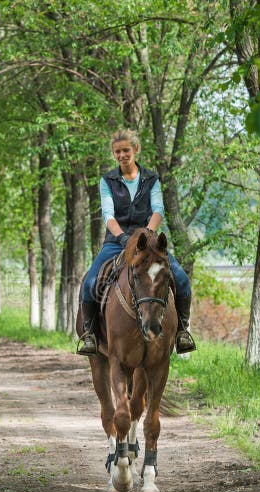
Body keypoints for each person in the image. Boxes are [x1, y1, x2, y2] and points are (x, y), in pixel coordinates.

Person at [77, 129, 196, 356]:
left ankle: (182, 331)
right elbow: (108, 215)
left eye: (126, 150)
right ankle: (90, 334)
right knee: (90, 282)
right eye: (117, 151)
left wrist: (148, 233)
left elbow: (158, 209)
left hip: (147, 243)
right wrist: (123, 237)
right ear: (114, 154)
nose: (122, 155)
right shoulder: (107, 181)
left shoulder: (151, 179)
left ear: (136, 150)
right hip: (116, 241)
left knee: (181, 279)